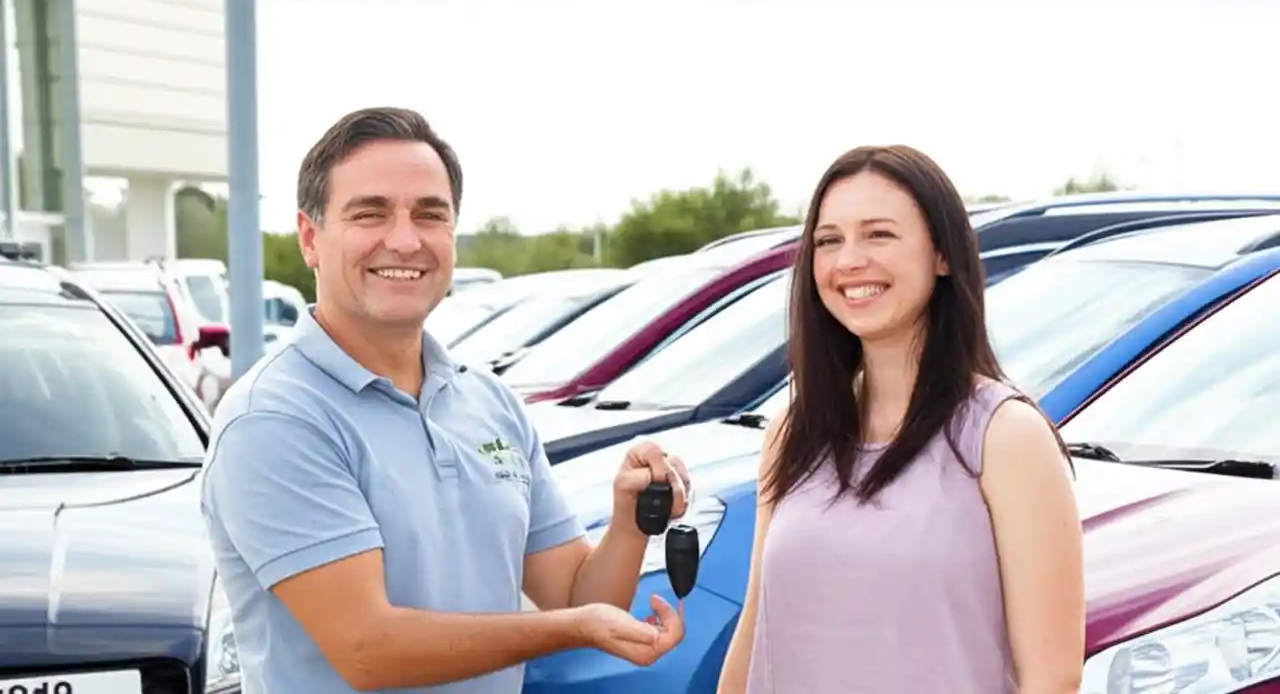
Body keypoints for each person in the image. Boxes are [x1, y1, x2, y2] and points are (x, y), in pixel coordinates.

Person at [200, 106, 690, 694]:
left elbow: (580, 598)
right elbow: (368, 650)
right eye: (370, 213)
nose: (405, 240)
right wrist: (570, 628)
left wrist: (628, 521)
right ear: (311, 238)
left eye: (430, 215)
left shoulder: (488, 402)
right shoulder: (276, 418)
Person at [716, 146, 1085, 693]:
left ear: (942, 254)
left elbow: (1052, 680)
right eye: (829, 240)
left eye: (879, 235)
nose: (849, 260)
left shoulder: (1005, 435)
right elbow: (755, 628)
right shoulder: (792, 432)